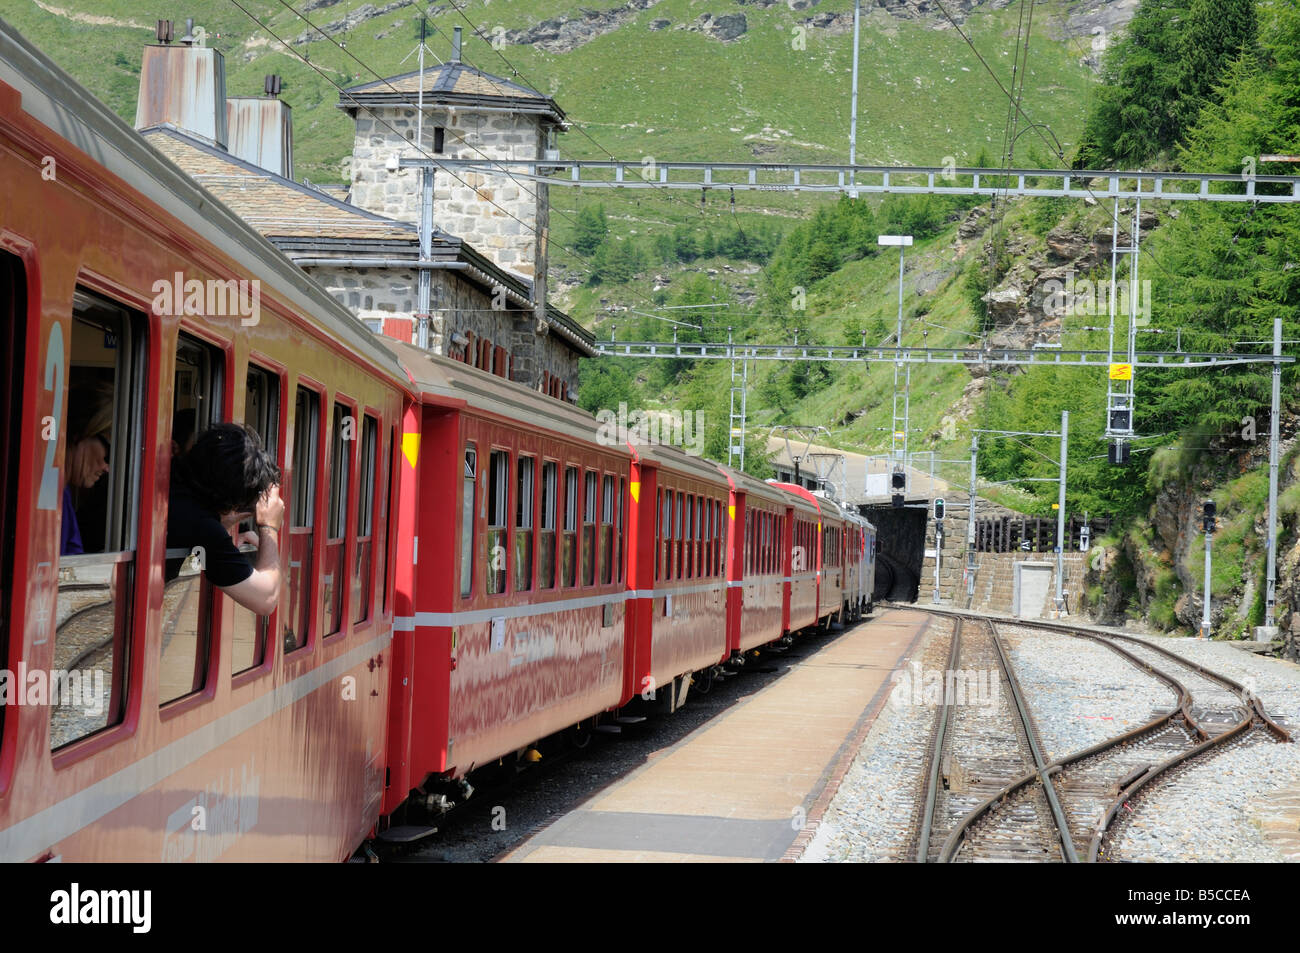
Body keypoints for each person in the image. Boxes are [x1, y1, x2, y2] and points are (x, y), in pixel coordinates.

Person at [166, 423, 284, 616]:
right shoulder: (203, 527)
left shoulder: (173, 485)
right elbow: (266, 599)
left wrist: (226, 523)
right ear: (232, 502)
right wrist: (269, 527)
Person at [60, 396, 113, 556]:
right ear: (82, 434)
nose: (107, 468)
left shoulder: (63, 495)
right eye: (108, 455)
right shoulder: (48, 497)